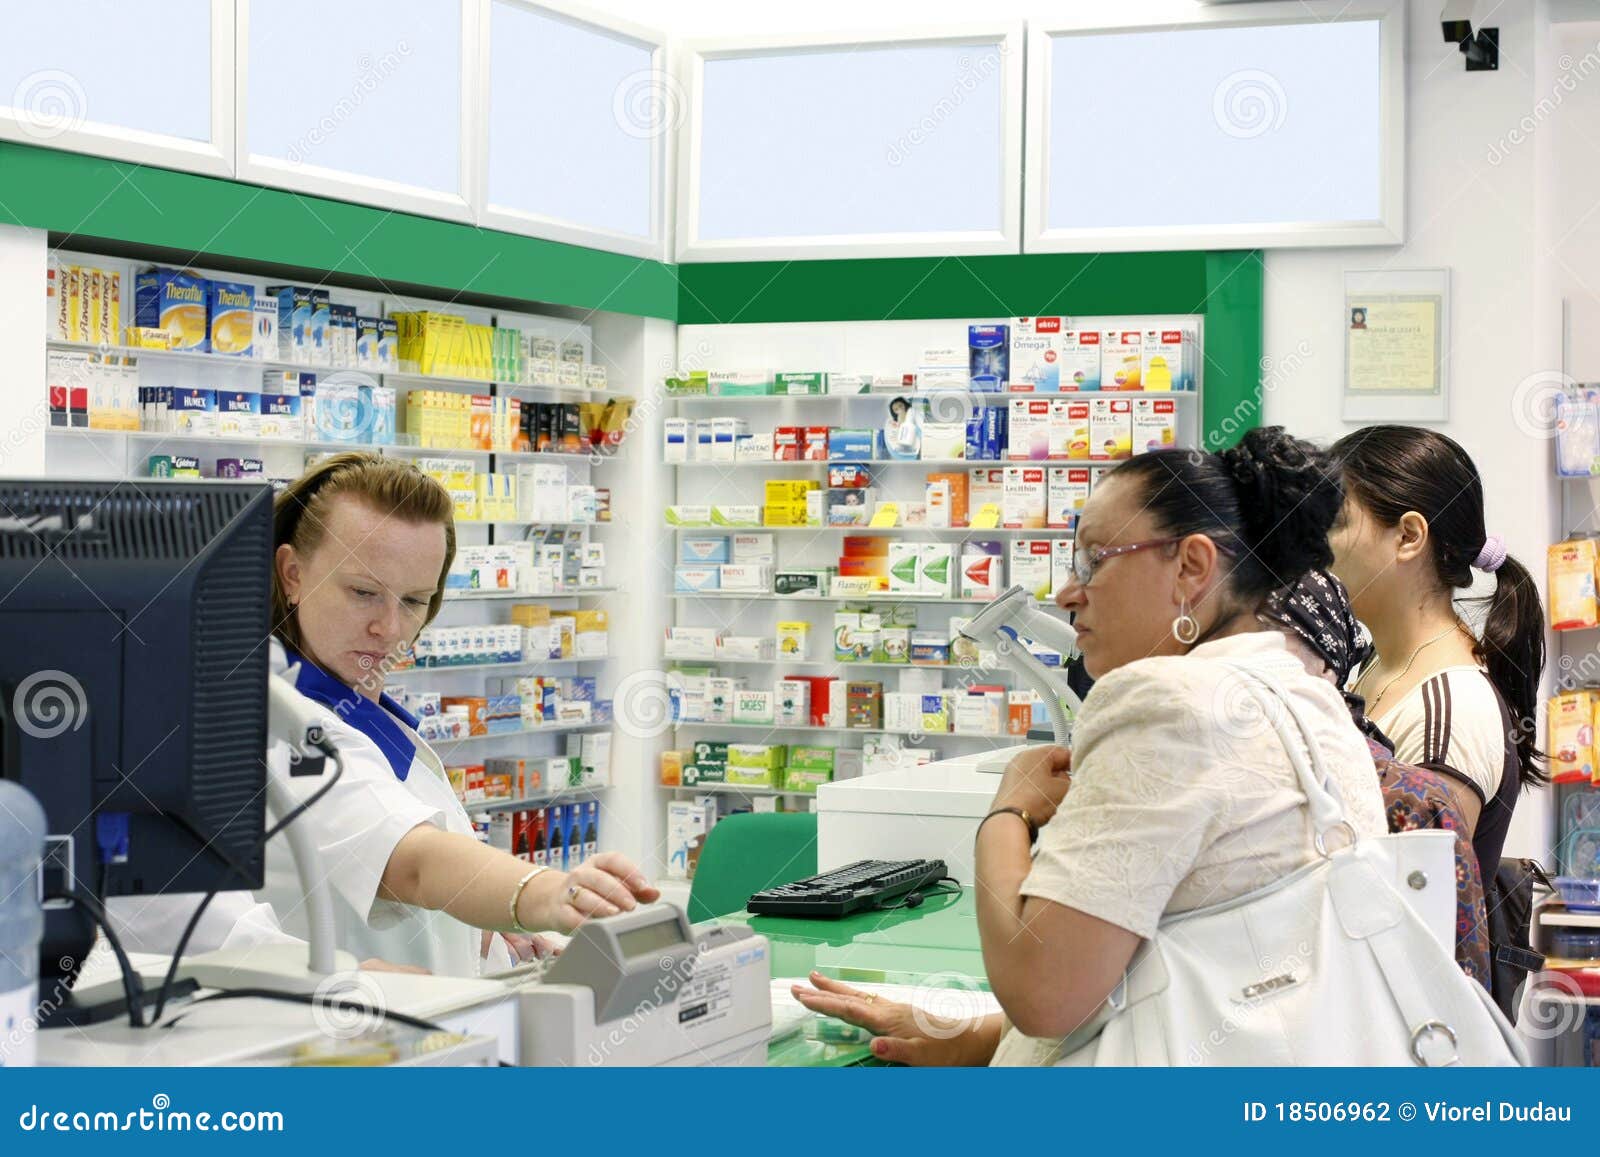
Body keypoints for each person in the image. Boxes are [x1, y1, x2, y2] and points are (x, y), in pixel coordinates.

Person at [792, 427, 1388, 1064]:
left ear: (1191, 566)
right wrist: (976, 1037)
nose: (1067, 594)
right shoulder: (1308, 699)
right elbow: (1179, 956)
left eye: (1094, 561)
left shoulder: (1165, 701)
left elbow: (1043, 993)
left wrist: (1008, 813)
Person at [260, 452, 657, 976]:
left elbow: (420, 876)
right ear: (292, 574)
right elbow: (416, 866)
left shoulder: (373, 718)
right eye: (363, 593)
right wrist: (542, 893)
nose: (390, 629)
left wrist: (480, 927)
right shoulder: (281, 729)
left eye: (414, 601)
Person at [1328, 425, 1546, 877]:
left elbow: (1417, 900)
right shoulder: (1375, 663)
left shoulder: (1452, 712)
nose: (1316, 546)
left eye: (1336, 523)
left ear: (1409, 536)